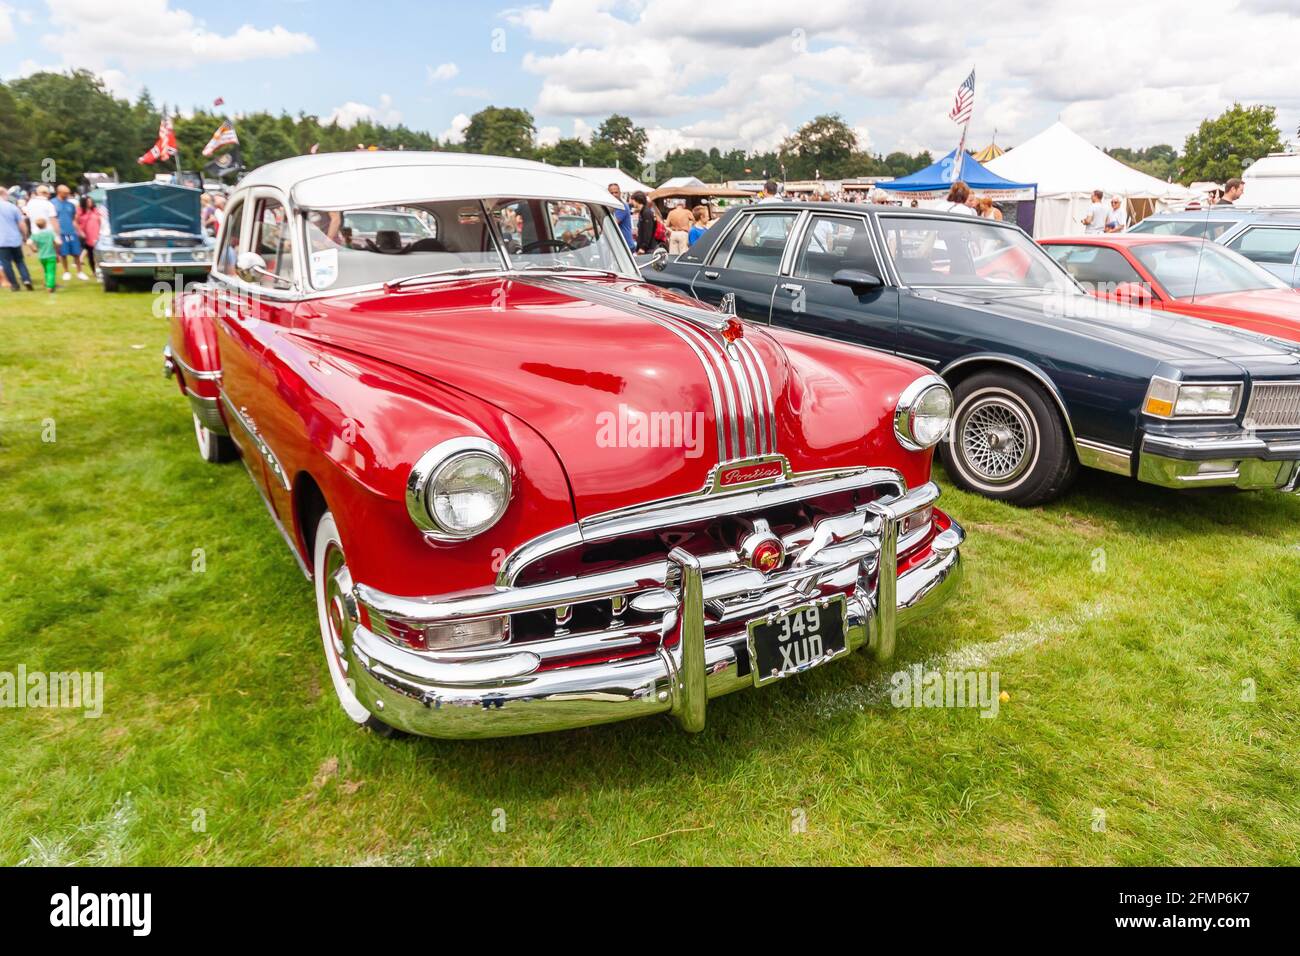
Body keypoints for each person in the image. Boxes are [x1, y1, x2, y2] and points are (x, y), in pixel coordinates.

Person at [0, 186, 34, 291]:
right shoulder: (12, 207)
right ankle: (26, 279)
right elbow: (21, 224)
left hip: (1, 241)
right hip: (14, 238)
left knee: (6, 263)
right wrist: (25, 235)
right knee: (19, 261)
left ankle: (14, 285)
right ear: (4, 194)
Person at [53, 184, 87, 280]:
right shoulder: (52, 203)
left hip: (72, 232)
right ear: (59, 192)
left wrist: (79, 231)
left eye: (68, 193)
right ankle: (66, 272)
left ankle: (80, 272)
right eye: (65, 193)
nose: (67, 194)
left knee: (76, 252)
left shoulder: (71, 205)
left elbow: (73, 219)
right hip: (60, 232)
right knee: (63, 253)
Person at [29, 217, 59, 293]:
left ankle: (47, 283)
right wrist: (56, 247)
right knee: (51, 271)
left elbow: (28, 242)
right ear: (46, 224)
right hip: (51, 255)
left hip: (41, 256)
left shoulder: (36, 234)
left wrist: (33, 249)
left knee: (46, 270)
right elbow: (58, 242)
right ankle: (50, 286)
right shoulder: (50, 233)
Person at [76, 195, 102, 275]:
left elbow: (100, 221)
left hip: (97, 234)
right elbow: (76, 222)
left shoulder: (95, 210)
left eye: (91, 201)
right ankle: (94, 271)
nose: (90, 203)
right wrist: (80, 232)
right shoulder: (80, 211)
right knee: (90, 254)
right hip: (86, 235)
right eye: (88, 201)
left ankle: (100, 270)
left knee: (98, 253)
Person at [607, 183, 634, 249]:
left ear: (620, 193)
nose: (614, 195)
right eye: (611, 193)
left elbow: (612, 223)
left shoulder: (622, 206)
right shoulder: (613, 206)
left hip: (625, 245)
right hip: (620, 245)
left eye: (616, 192)